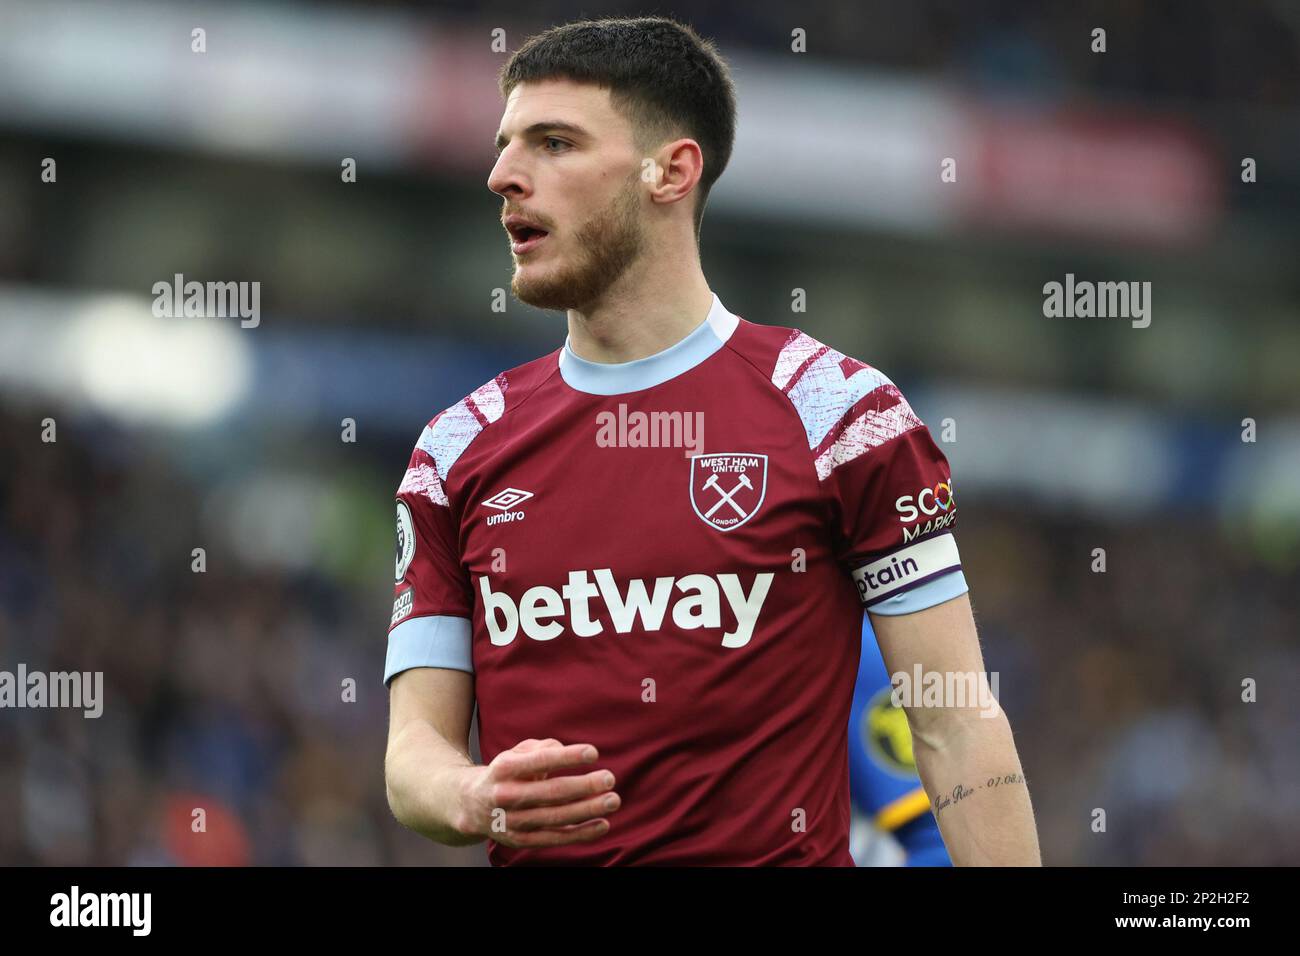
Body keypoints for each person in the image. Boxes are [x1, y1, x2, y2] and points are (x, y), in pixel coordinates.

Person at [383, 15, 1040, 865]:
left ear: (672, 171)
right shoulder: (456, 451)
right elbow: (412, 758)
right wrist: (470, 793)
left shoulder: (839, 414)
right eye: (506, 145)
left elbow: (954, 721)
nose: (503, 175)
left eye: (554, 142)